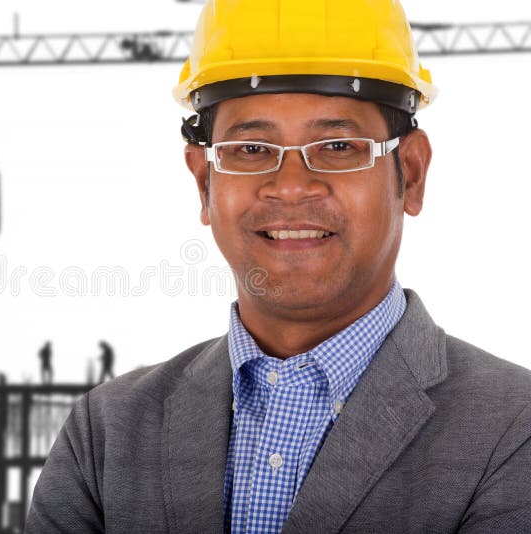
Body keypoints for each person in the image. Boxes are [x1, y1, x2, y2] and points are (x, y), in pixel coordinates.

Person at [26, 1, 531, 532]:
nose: (291, 186)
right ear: (204, 182)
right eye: (251, 148)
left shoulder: (514, 431)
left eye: (338, 145)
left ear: (411, 172)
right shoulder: (105, 435)